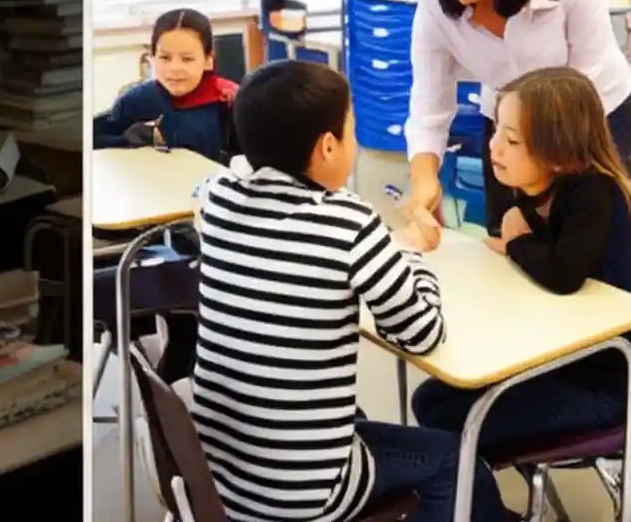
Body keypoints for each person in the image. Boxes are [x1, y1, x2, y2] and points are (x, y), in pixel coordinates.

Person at [190, 59, 514, 522]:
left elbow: (221, 197)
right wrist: (413, 257)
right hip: (305, 493)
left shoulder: (219, 198)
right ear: (326, 147)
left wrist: (388, 247)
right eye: (351, 129)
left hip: (222, 480)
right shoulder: (347, 223)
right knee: (453, 462)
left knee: (357, 415)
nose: (356, 142)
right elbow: (423, 333)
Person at [412, 66, 631, 450]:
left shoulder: (593, 193)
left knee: (453, 418)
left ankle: (476, 502)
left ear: (560, 153)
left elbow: (563, 274)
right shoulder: (535, 187)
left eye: (511, 140)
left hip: (608, 380)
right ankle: (470, 494)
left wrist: (517, 243)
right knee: (429, 399)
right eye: (496, 130)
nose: (493, 147)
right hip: (559, 356)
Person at [402, 0, 631, 237]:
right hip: (508, 121)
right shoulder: (436, 7)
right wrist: (424, 183)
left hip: (591, 116)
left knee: (583, 242)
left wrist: (544, 166)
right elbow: (428, 110)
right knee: (508, 237)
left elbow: (587, 85)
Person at [93, 8, 238, 163]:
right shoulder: (134, 101)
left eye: (187, 59)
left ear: (208, 60)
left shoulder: (230, 101)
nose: (174, 68)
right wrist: (126, 141)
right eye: (165, 57)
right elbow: (95, 143)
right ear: (152, 58)